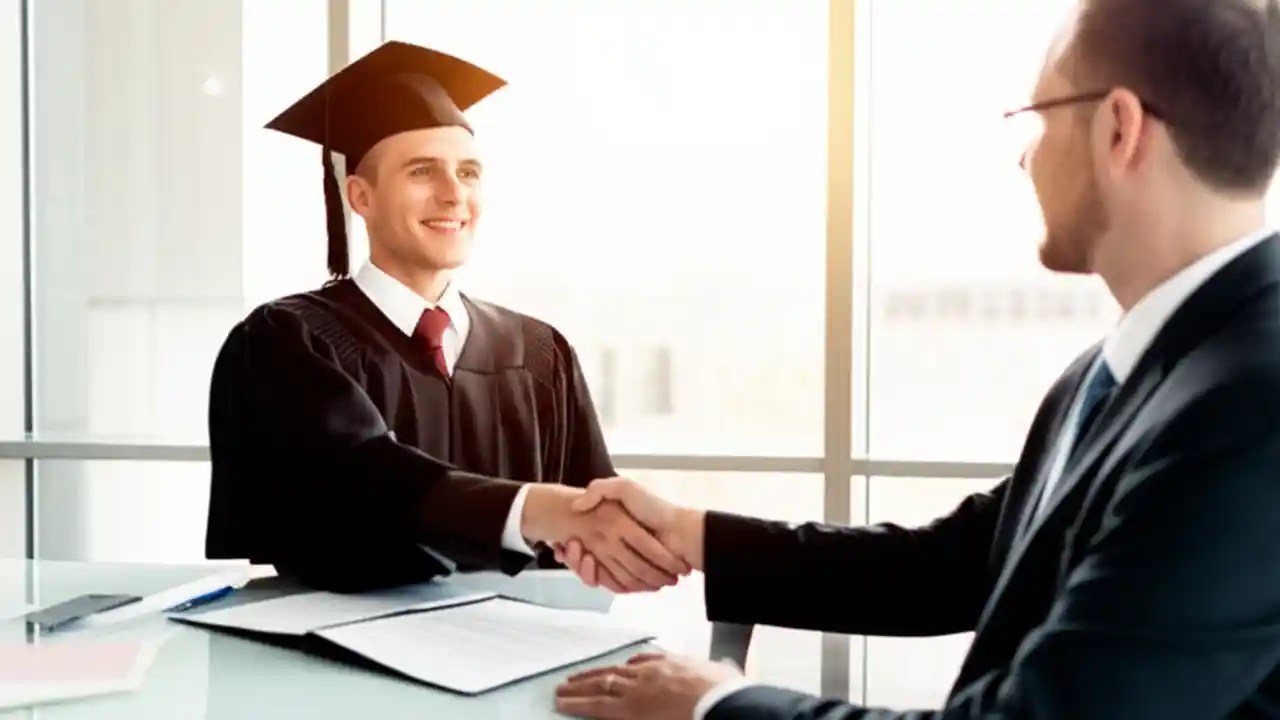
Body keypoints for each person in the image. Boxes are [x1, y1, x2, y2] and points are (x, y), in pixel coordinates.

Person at [552, 0, 1280, 717]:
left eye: (1038, 116)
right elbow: (954, 565)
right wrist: (690, 532)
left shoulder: (1254, 405)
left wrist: (717, 704)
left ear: (1118, 128)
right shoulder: (1117, 369)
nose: (1025, 156)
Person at [204, 40, 687, 594]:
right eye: (421, 171)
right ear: (361, 196)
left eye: (469, 172)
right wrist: (535, 509)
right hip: (344, 654)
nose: (452, 194)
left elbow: (592, 522)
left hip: (519, 650)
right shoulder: (290, 339)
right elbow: (359, 478)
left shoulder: (537, 351)